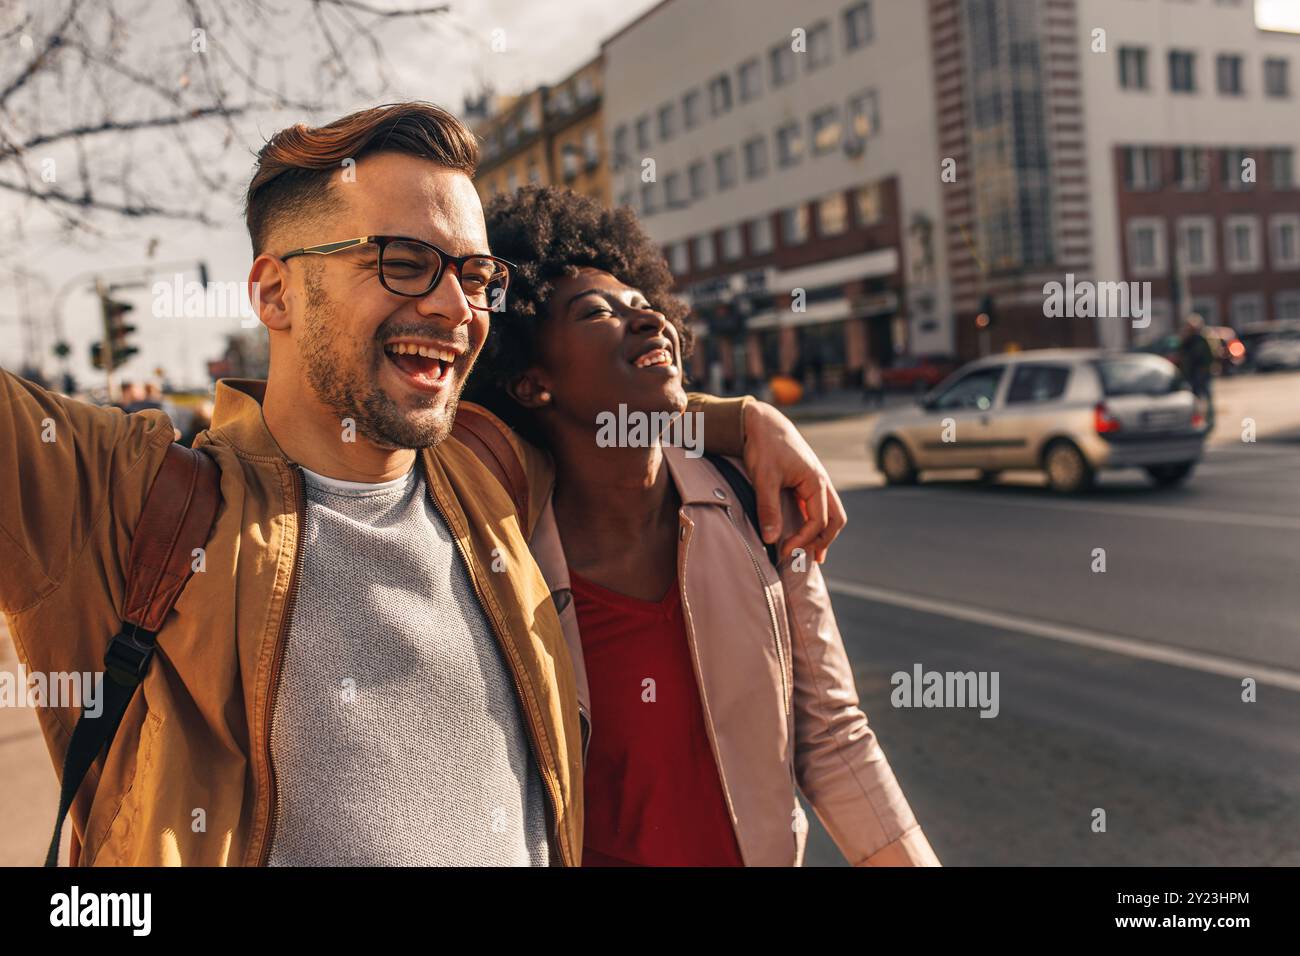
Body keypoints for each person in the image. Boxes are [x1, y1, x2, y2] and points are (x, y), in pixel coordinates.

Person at [0, 103, 844, 867]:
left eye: (474, 276)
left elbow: (601, 391)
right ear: (274, 290)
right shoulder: (121, 492)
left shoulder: (488, 466)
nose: (454, 306)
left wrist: (737, 418)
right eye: (404, 263)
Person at [469, 185, 938, 867]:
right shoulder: (503, 551)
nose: (647, 320)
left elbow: (832, 738)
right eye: (598, 311)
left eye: (645, 303)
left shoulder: (757, 498)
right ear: (530, 380)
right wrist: (745, 416)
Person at [1177, 313, 1215, 429]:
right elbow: (1182, 354)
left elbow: (1209, 355)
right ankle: (1197, 419)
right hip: (1191, 373)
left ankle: (1209, 419)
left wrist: (1207, 368)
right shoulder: (1187, 340)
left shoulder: (1202, 339)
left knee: (1206, 396)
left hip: (1202, 373)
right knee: (1194, 397)